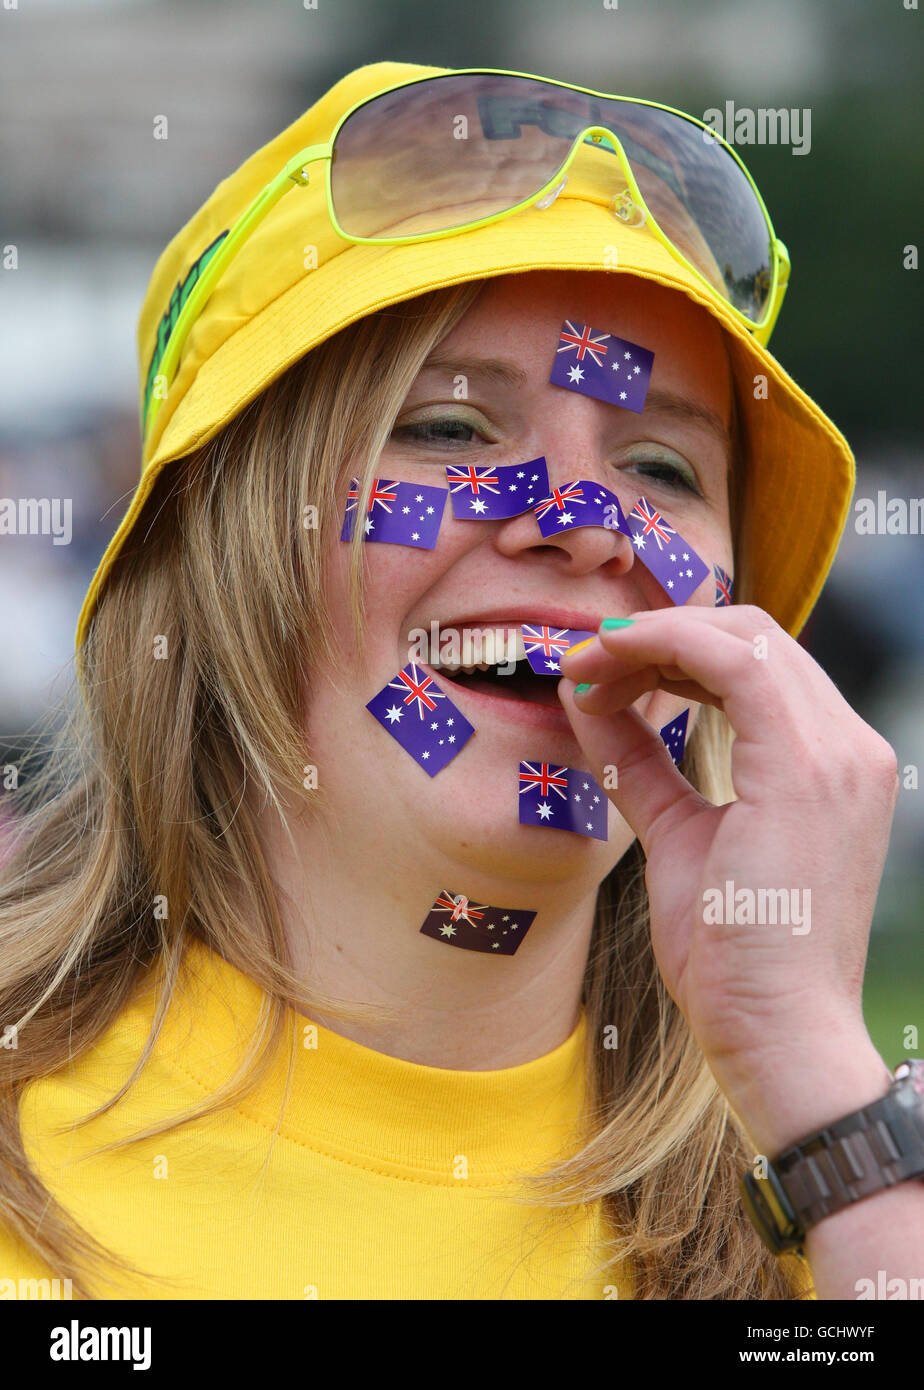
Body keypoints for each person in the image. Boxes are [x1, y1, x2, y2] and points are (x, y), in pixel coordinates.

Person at [1, 61, 921, 1303]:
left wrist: (819, 1103)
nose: (584, 523)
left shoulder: (847, 1180)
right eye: (447, 429)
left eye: (660, 464)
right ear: (215, 555)